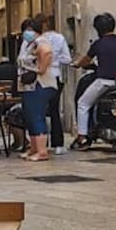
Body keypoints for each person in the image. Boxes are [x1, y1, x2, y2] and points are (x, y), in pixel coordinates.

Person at [73, 12, 116, 145]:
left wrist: (77, 64)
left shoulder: (98, 44)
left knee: (83, 103)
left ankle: (82, 136)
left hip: (105, 81)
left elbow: (86, 60)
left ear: (98, 29)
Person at [15, 17, 58, 163]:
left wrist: (41, 68)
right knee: (30, 116)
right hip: (28, 86)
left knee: (37, 115)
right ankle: (33, 148)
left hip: (40, 84)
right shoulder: (29, 44)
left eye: (29, 30)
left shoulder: (41, 42)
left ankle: (41, 151)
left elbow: (46, 52)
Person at [36, 14, 73, 151]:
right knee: (54, 109)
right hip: (56, 76)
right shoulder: (59, 38)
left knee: (39, 110)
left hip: (41, 76)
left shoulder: (38, 40)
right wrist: (56, 60)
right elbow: (67, 59)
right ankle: (58, 144)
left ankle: (41, 143)